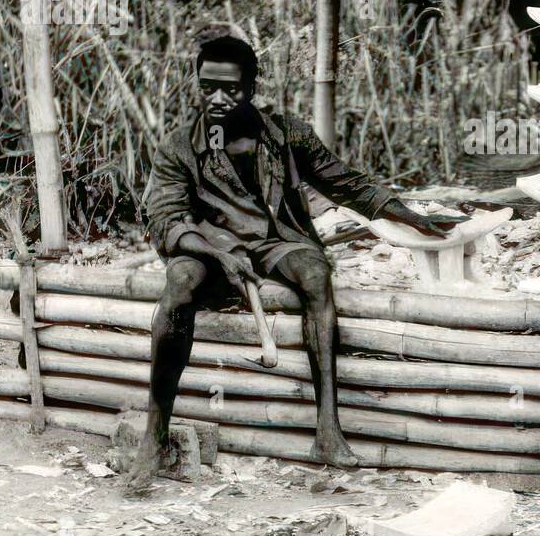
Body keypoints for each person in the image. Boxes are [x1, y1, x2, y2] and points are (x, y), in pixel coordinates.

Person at [128, 36, 457, 491]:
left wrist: (413, 217)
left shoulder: (286, 133)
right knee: (180, 280)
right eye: (207, 88)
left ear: (253, 84)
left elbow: (347, 184)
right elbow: (166, 218)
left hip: (275, 240)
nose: (218, 100)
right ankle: (155, 431)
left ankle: (327, 430)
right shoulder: (180, 146)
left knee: (316, 272)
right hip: (210, 246)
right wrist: (217, 252)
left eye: (232, 89)